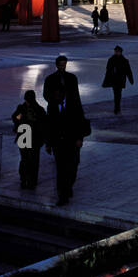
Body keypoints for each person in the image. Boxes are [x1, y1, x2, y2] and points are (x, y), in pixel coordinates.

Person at [43, 55, 88, 204]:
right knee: (61, 168)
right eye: (60, 65)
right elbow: (49, 125)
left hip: (72, 139)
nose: (63, 67)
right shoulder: (53, 108)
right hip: (58, 141)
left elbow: (80, 117)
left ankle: (68, 187)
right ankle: (62, 194)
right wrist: (48, 143)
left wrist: (79, 138)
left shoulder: (74, 104)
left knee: (73, 165)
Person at [11, 89, 47, 188]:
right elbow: (16, 118)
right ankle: (27, 180)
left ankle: (27, 180)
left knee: (28, 159)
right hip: (28, 137)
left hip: (30, 137)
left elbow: (16, 118)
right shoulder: (36, 110)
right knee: (29, 159)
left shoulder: (36, 110)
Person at [102, 45, 133, 114]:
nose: (117, 53)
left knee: (118, 94)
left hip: (120, 79)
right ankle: (117, 107)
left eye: (118, 52)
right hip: (115, 80)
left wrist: (131, 79)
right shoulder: (111, 59)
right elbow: (108, 70)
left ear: (121, 52)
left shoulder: (124, 60)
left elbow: (128, 70)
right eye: (116, 51)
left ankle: (117, 107)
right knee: (117, 93)